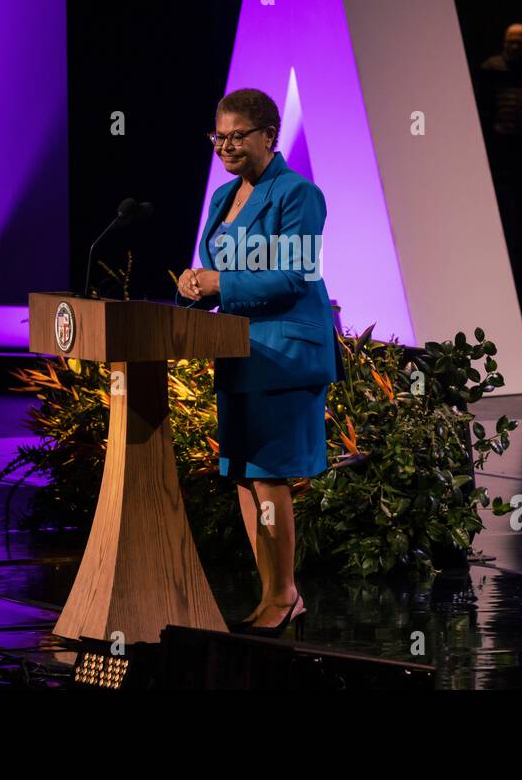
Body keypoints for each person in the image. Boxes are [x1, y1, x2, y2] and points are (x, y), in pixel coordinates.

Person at [177, 88, 345, 638]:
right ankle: (273, 592)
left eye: (236, 137)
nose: (225, 147)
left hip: (285, 354)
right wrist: (196, 286)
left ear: (268, 136)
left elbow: (294, 275)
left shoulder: (298, 194)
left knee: (270, 478)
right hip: (240, 350)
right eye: (218, 137)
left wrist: (219, 281)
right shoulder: (224, 197)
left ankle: (284, 594)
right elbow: (219, 269)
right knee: (246, 479)